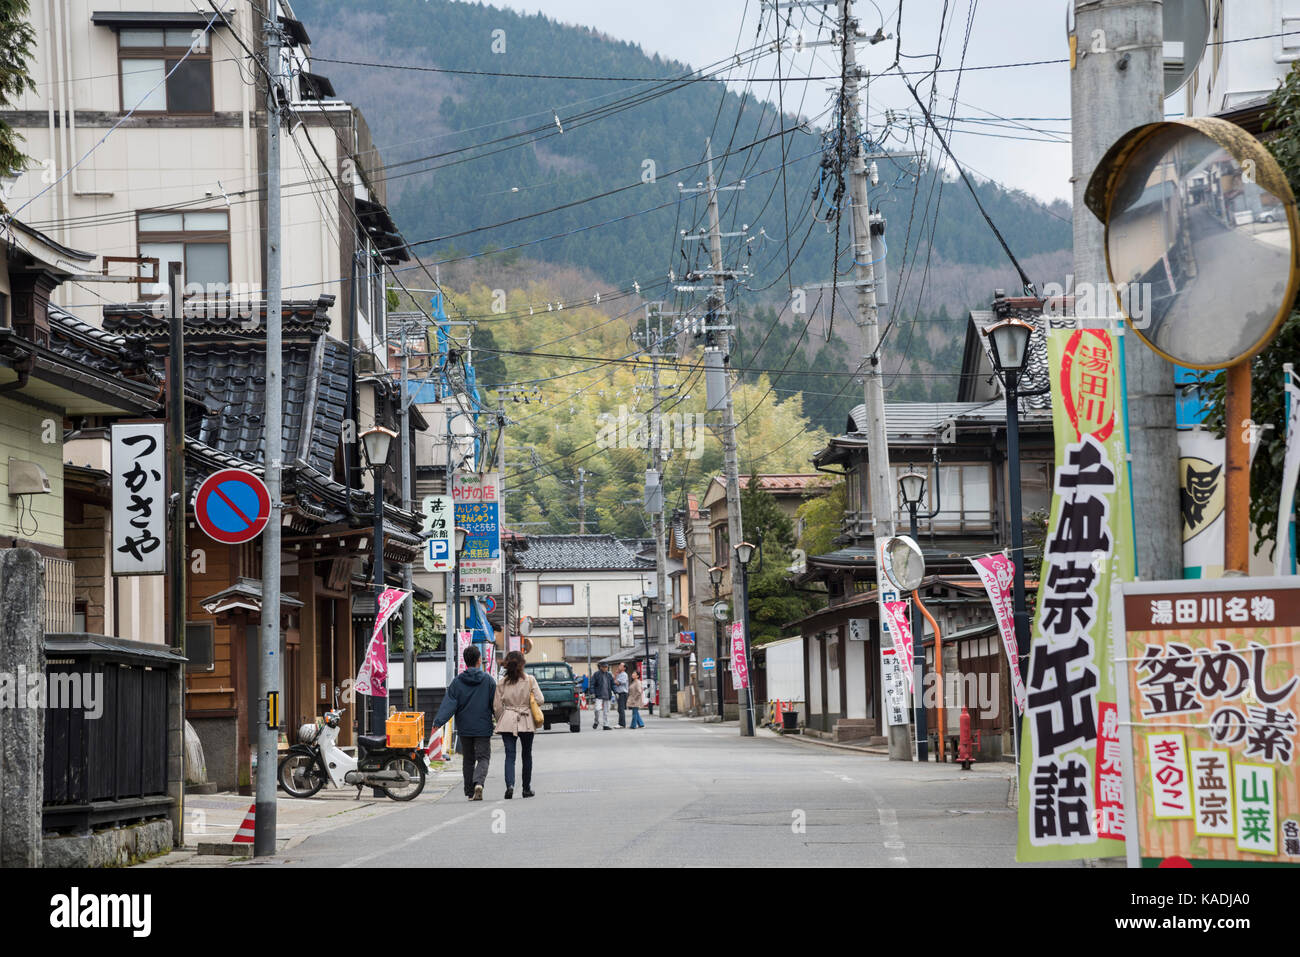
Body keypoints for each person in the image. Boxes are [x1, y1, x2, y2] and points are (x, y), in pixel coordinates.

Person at [429, 644, 497, 801]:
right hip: (483, 727)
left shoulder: (457, 682)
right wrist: (501, 721)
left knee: (468, 759)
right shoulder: (488, 681)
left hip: (465, 727)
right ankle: (479, 782)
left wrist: (439, 721)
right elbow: (495, 704)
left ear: (465, 661)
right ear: (479, 660)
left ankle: (469, 791)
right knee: (483, 757)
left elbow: (449, 704)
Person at [493, 651, 542, 799]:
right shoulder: (530, 680)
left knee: (510, 755)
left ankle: (510, 785)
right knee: (526, 754)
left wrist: (502, 718)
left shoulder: (501, 682)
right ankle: (526, 788)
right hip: (526, 719)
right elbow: (540, 700)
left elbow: (496, 706)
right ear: (522, 664)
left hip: (508, 718)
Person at [590, 661, 614, 730]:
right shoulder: (596, 674)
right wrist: (592, 692)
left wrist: (615, 691)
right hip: (599, 695)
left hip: (607, 695)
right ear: (600, 667)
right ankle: (596, 721)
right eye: (604, 667)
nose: (605, 668)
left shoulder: (609, 675)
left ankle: (605, 725)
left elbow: (612, 684)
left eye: (606, 667)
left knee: (606, 711)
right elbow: (592, 684)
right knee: (597, 709)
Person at [614, 662, 629, 728]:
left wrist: (615, 677)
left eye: (621, 665)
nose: (619, 666)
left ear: (624, 668)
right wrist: (616, 675)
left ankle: (622, 724)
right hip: (619, 693)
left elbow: (617, 683)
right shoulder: (619, 674)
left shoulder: (624, 674)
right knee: (619, 709)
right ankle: (621, 723)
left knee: (621, 708)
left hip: (623, 693)